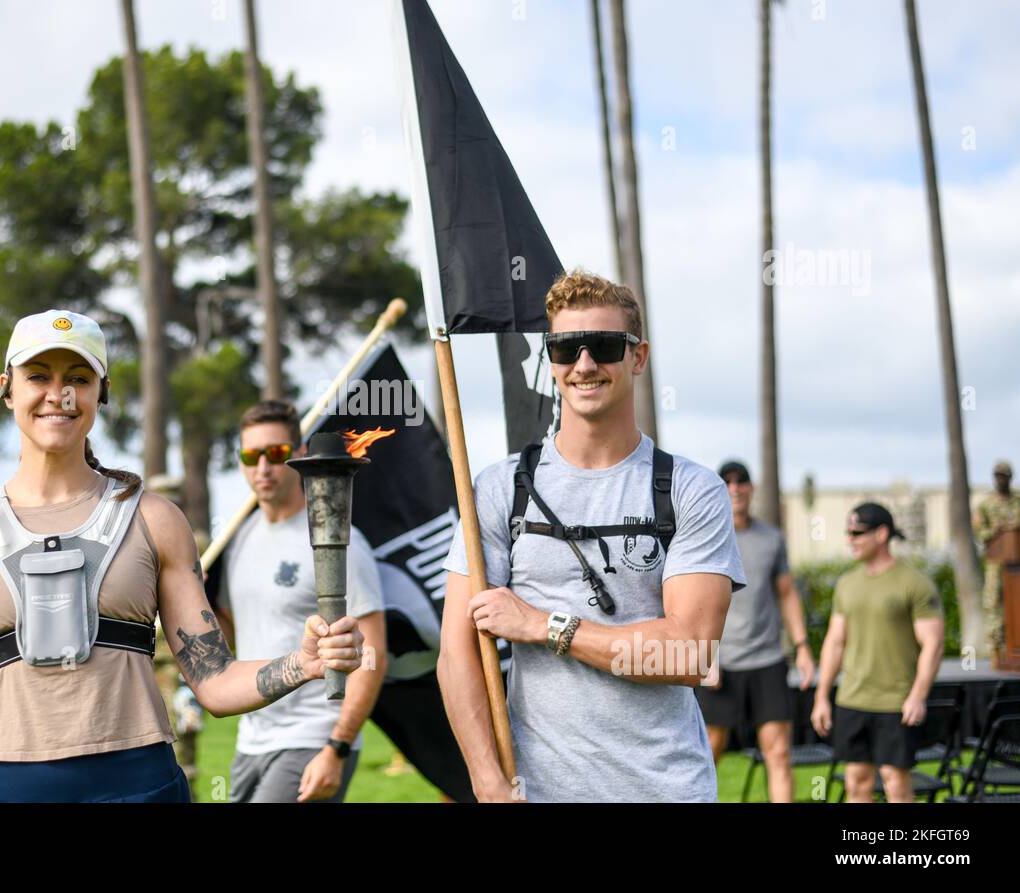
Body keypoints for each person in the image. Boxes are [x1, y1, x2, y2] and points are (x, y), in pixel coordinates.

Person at [0, 310, 362, 803]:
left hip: (138, 788)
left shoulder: (155, 520)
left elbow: (215, 681)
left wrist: (303, 662)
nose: (60, 395)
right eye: (39, 377)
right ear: (7, 388)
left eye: (78, 378)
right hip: (2, 789)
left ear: (103, 392)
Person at [438, 270, 746, 803]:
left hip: (668, 789)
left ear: (638, 357)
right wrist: (486, 780)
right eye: (564, 348)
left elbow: (691, 653)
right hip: (539, 791)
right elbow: (456, 652)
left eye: (603, 346)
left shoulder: (692, 490)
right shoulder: (496, 488)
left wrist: (544, 625)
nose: (584, 364)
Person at [214, 400, 388, 803]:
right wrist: (195, 592)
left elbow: (373, 653)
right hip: (251, 737)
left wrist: (337, 747)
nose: (262, 468)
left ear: (300, 456)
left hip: (313, 735)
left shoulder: (341, 539)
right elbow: (231, 635)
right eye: (250, 455)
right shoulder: (237, 538)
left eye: (276, 454)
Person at [696, 460, 816, 803]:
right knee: (706, 757)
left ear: (751, 489)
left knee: (778, 754)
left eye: (742, 482)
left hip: (767, 660)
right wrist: (706, 656)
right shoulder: (705, 535)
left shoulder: (772, 539)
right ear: (720, 488)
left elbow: (787, 593)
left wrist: (803, 646)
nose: (735, 488)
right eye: (728, 482)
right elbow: (688, 600)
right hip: (721, 664)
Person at [811, 502, 944, 803]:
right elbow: (834, 642)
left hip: (896, 701)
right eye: (848, 533)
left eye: (857, 533)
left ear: (882, 534)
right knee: (856, 782)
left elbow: (933, 644)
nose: (850, 540)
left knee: (894, 781)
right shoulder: (846, 584)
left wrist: (918, 696)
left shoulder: (915, 583)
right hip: (852, 699)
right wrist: (821, 697)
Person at [973, 460, 1020, 666]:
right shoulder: (985, 505)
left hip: (1017, 563)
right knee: (993, 604)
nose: (1001, 479)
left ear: (1010, 477)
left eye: (1005, 475)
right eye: (998, 476)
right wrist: (997, 530)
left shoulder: (1018, 501)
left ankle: (1015, 648)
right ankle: (996, 650)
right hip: (996, 562)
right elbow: (980, 533)